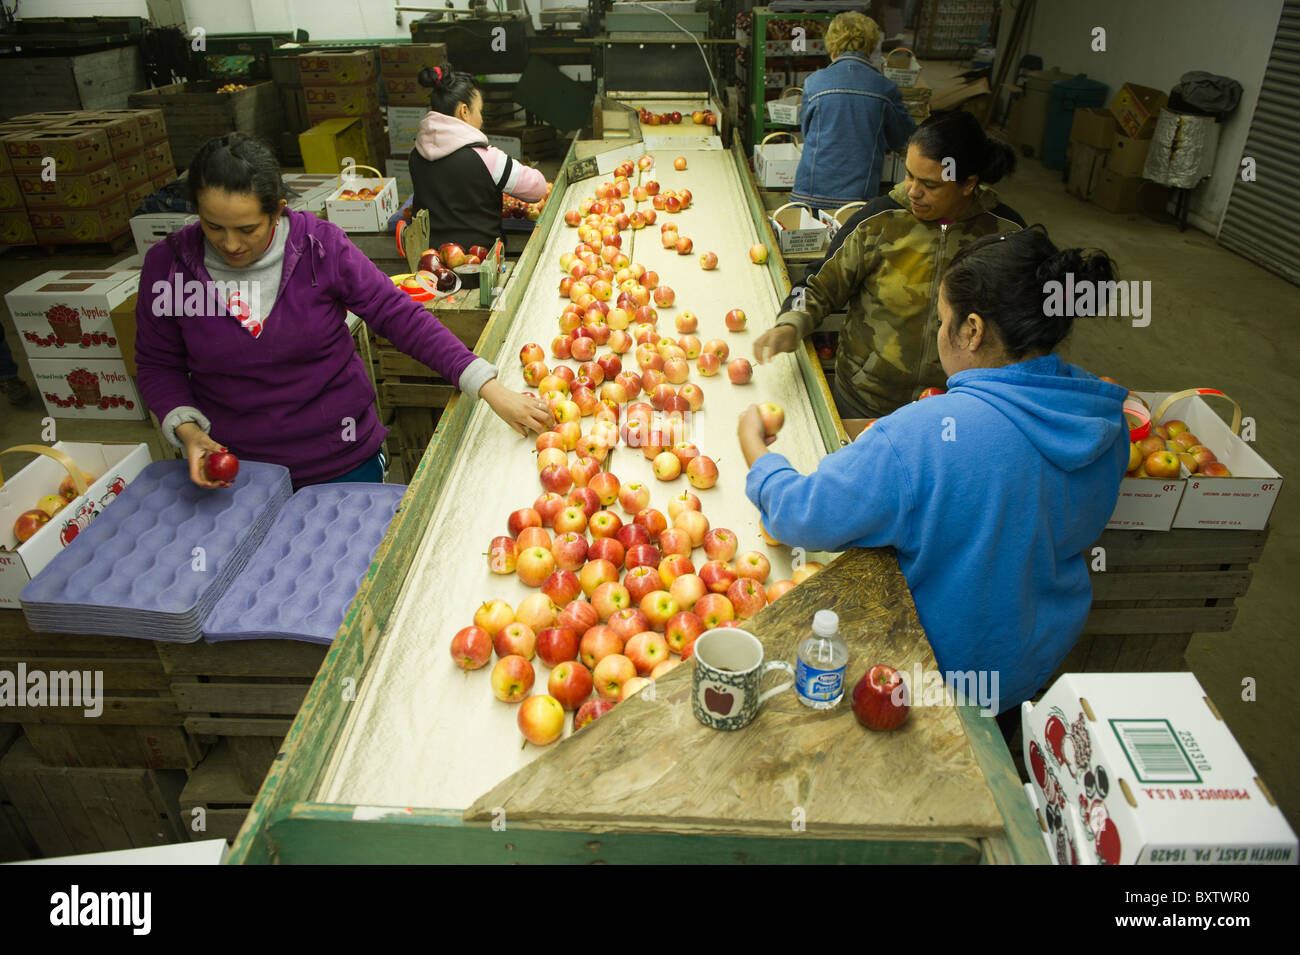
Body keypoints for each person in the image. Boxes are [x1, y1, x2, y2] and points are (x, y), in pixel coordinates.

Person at [738, 226, 1130, 728]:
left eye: (941, 319)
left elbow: (801, 515)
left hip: (937, 673)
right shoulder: (1100, 417)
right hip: (1032, 659)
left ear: (972, 330)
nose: (938, 331)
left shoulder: (926, 436)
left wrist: (755, 449)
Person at [134, 133, 550, 490]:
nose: (229, 244)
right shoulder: (168, 267)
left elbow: (398, 317)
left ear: (277, 210)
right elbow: (157, 365)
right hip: (239, 471)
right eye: (212, 227)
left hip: (340, 459)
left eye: (247, 229)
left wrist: (488, 387)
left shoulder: (320, 247)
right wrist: (189, 433)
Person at [755, 111, 1026, 425]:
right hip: (866, 403)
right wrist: (791, 322)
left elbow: (1029, 325)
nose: (912, 191)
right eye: (909, 175)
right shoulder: (879, 221)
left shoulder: (1008, 236)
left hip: (957, 413)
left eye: (929, 184)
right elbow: (816, 285)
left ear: (968, 184)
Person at [409, 65, 548, 253]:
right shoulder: (487, 158)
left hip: (430, 258)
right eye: (479, 111)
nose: (481, 119)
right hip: (478, 261)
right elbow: (537, 189)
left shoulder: (416, 155)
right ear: (464, 111)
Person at [789, 12, 915, 212]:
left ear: (831, 44)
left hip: (808, 194)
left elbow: (807, 131)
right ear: (871, 45)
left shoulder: (814, 82)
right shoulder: (884, 87)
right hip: (857, 199)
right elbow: (903, 139)